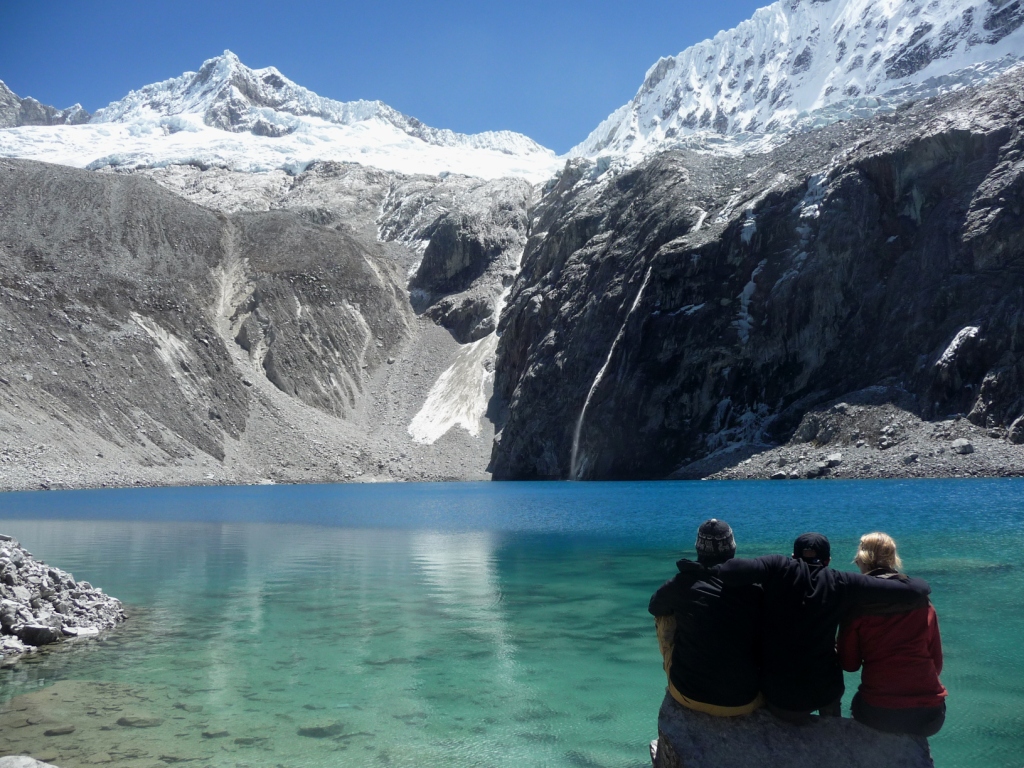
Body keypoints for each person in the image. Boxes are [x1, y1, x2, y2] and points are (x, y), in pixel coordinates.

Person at [679, 532, 932, 724]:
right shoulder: (841, 581)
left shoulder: (779, 567)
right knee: (831, 701)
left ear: (793, 556)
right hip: (825, 691)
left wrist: (702, 571)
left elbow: (733, 570)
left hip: (781, 698)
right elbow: (912, 590)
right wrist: (920, 583)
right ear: (828, 560)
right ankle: (833, 732)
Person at [648, 519, 763, 716]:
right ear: (732, 549)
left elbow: (654, 607)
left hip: (688, 695)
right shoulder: (753, 587)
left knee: (664, 615)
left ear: (699, 550)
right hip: (745, 700)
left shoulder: (681, 584)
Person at [838, 532, 947, 736]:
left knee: (858, 704)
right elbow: (937, 665)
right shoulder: (923, 601)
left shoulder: (857, 605)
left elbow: (849, 664)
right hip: (931, 716)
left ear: (861, 559)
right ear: (893, 559)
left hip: (880, 713)